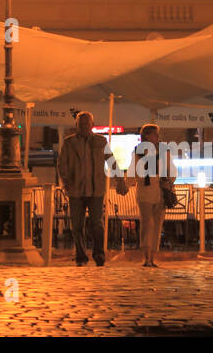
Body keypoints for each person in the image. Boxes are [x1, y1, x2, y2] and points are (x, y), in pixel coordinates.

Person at [57, 111, 126, 267]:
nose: (84, 127)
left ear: (92, 125)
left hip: (96, 190)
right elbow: (62, 164)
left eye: (87, 124)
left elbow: (112, 162)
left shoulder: (101, 142)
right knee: (77, 225)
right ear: (76, 125)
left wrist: (120, 180)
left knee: (97, 223)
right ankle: (81, 256)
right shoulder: (69, 143)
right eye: (81, 124)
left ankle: (99, 255)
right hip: (75, 190)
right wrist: (66, 181)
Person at [129, 123, 173, 267]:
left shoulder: (164, 150)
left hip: (160, 191)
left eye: (157, 134)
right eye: (155, 134)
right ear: (146, 136)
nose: (157, 137)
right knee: (146, 224)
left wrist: (168, 181)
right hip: (145, 191)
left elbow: (171, 170)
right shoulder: (138, 151)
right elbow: (134, 172)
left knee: (157, 225)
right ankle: (146, 256)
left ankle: (152, 257)